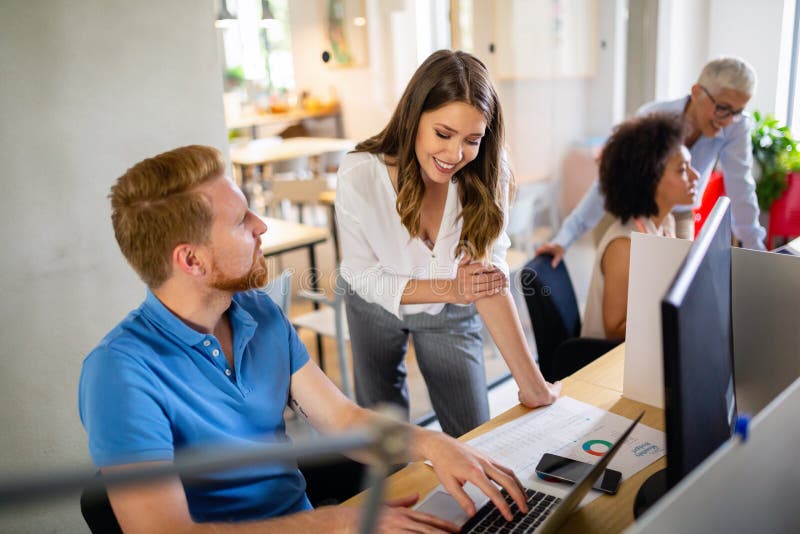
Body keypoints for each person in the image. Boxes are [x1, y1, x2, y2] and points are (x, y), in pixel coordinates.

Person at [78, 145, 534, 532]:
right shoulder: (119, 373)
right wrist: (332, 522)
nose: (262, 226)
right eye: (241, 221)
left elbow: (342, 419)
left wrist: (437, 446)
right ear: (191, 261)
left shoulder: (257, 312)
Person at [335, 49, 561, 439]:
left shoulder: (491, 175)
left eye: (472, 139)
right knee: (383, 438)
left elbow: (487, 280)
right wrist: (453, 288)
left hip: (449, 311)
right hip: (374, 305)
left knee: (475, 434)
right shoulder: (359, 173)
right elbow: (360, 273)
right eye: (443, 134)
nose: (455, 155)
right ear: (413, 118)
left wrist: (533, 386)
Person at [538, 56, 764, 268]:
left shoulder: (736, 126)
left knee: (678, 283)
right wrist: (565, 237)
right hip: (629, 208)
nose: (728, 120)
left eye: (738, 111)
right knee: (621, 280)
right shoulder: (654, 116)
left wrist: (756, 253)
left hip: (677, 213)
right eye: (722, 108)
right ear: (697, 92)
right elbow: (609, 180)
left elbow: (741, 188)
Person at [581, 113, 699, 339]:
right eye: (683, 170)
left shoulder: (665, 222)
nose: (696, 176)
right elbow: (614, 330)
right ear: (650, 178)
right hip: (604, 361)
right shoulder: (624, 246)